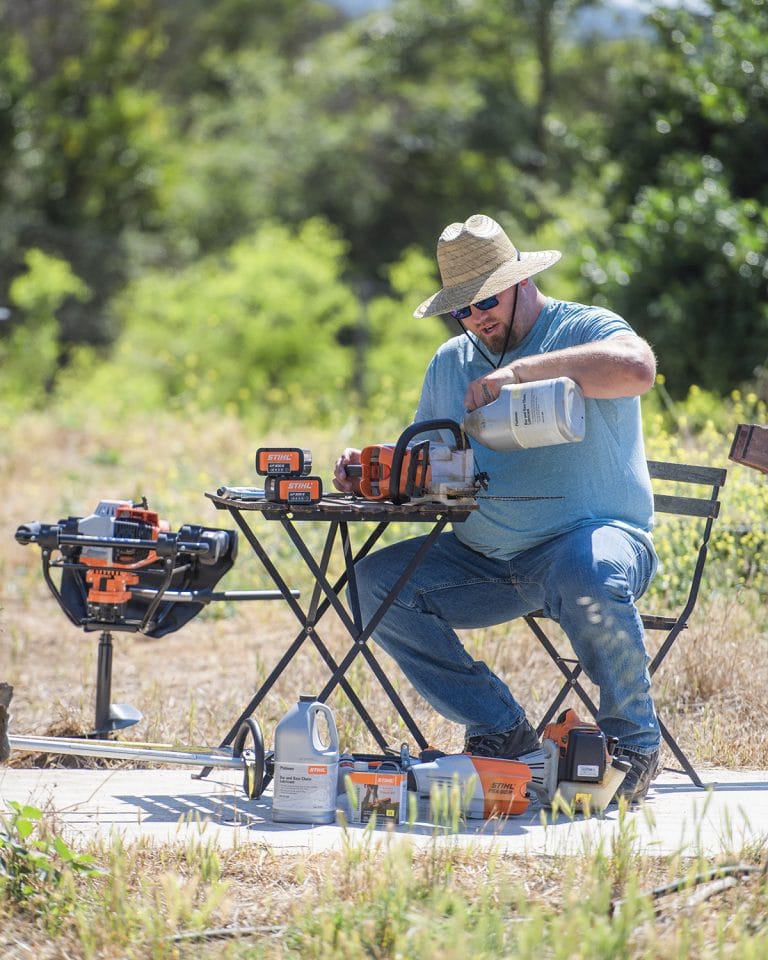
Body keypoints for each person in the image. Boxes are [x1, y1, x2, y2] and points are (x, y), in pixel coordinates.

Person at [333, 214, 661, 803]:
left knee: (588, 569)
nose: (476, 317)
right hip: (484, 560)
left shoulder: (583, 327)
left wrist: (519, 373)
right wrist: (379, 471)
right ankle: (501, 729)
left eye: (486, 300)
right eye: (461, 308)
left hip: (589, 542)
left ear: (521, 282)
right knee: (371, 585)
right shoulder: (452, 361)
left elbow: (637, 370)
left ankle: (632, 745)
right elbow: (432, 463)